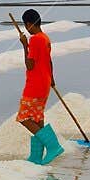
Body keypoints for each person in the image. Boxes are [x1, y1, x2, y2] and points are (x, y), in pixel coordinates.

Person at [15, 9, 63, 165]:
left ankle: (53, 146)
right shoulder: (45, 38)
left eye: (25, 25)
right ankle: (36, 157)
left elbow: (29, 65)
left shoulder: (35, 40)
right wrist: (52, 79)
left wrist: (24, 45)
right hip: (45, 83)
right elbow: (49, 61)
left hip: (35, 85)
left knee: (24, 117)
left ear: (29, 24)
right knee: (37, 118)